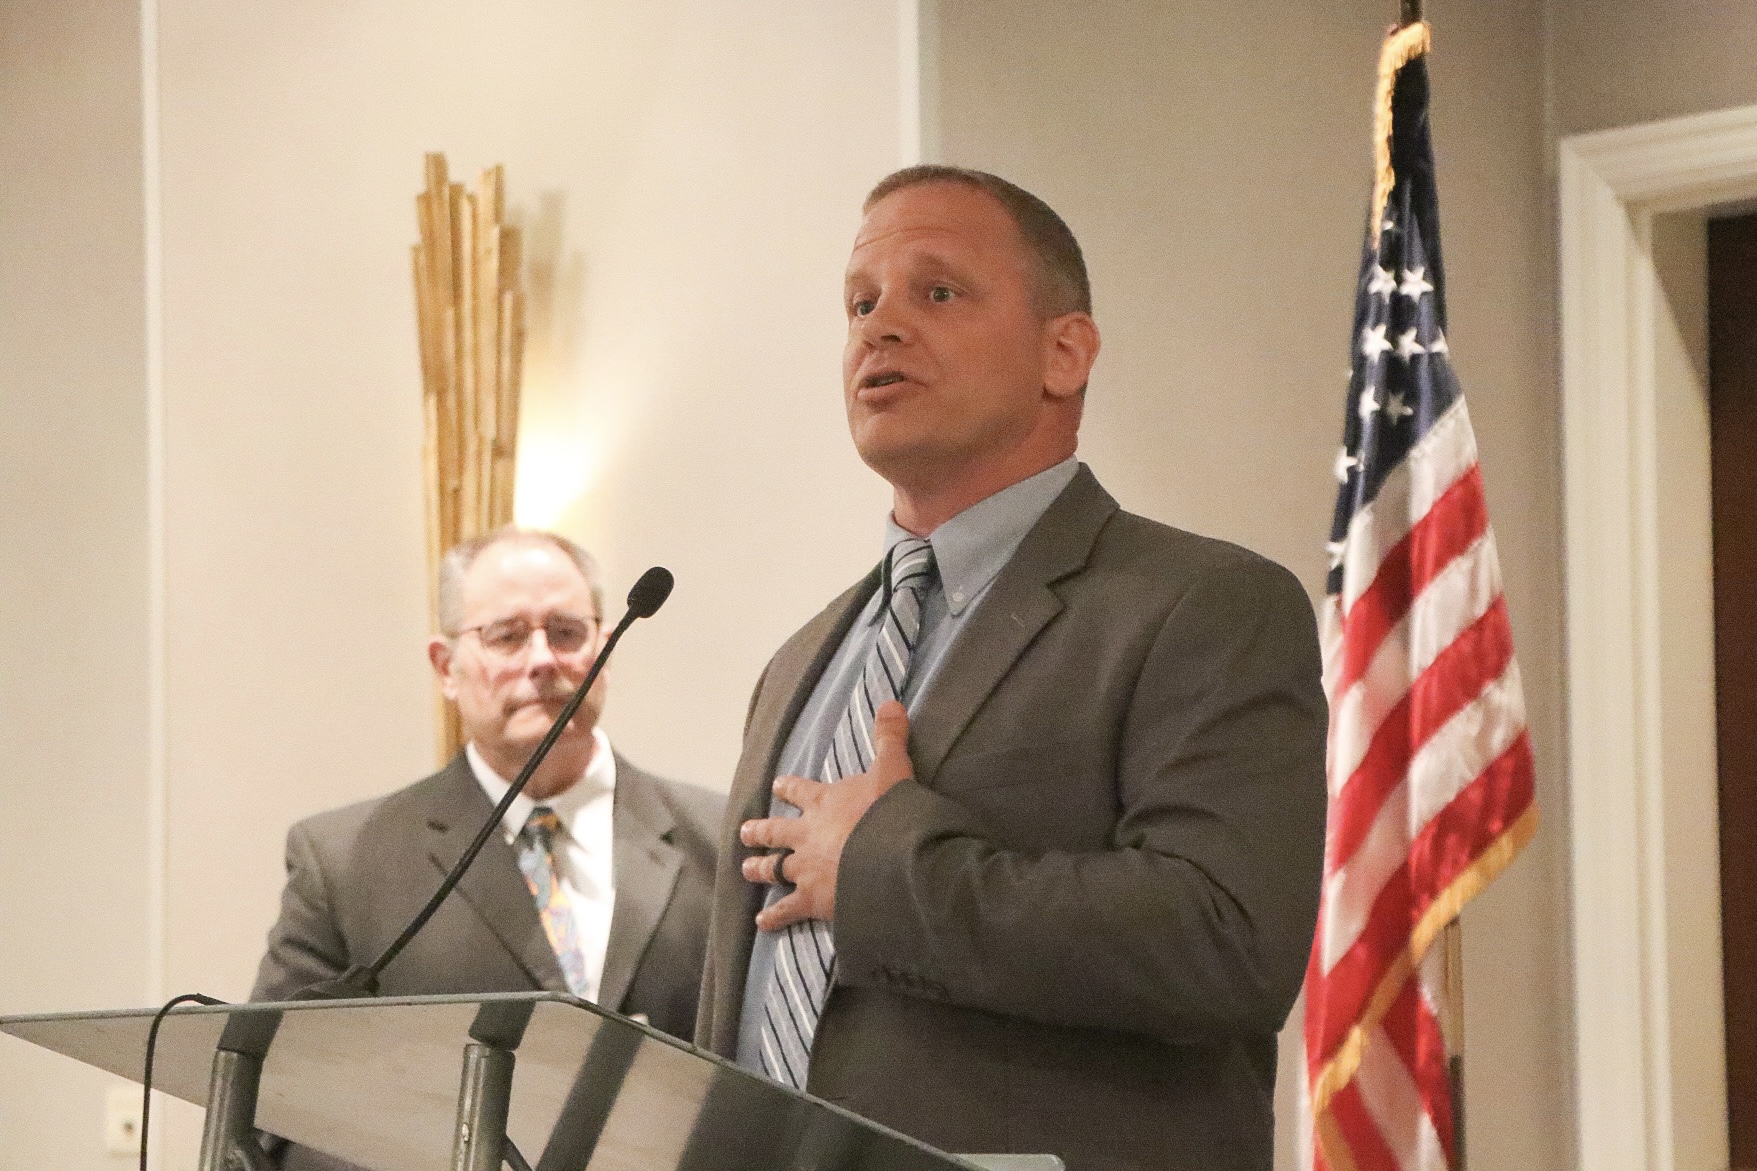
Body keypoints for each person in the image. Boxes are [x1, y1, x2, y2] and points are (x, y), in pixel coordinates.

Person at [695, 167, 1328, 1171]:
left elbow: (1224, 940)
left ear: (1063, 351)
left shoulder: (1201, 605)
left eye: (935, 292)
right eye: (860, 303)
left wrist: (884, 869)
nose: (879, 328)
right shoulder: (799, 660)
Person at [251, 527, 722, 1040]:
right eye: (507, 635)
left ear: (604, 651)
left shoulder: (722, 842)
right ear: (445, 667)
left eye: (566, 632)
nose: (542, 660)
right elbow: (273, 1088)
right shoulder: (346, 863)